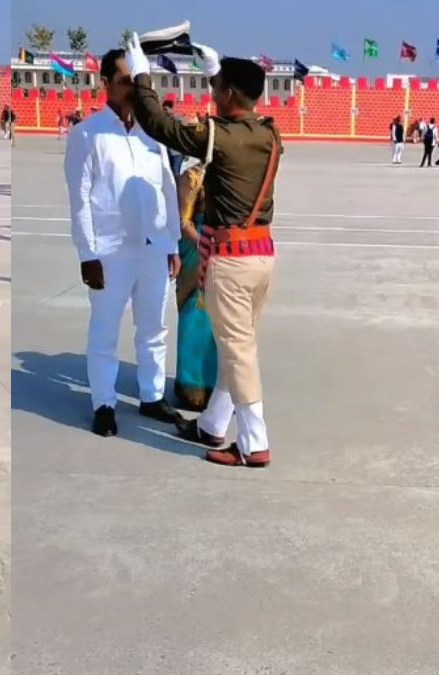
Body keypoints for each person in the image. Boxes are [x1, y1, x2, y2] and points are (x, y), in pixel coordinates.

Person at [125, 34, 281, 467]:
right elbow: (235, 112)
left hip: (232, 262)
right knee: (237, 345)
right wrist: (216, 72)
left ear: (228, 94)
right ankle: (213, 424)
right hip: (262, 255)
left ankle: (254, 443)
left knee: (238, 350)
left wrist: (142, 76)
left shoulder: (219, 136)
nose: (212, 94)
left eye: (216, 87)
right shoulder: (270, 134)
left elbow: (159, 124)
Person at [63, 48, 183, 436]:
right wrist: (88, 254)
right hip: (110, 251)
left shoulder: (153, 134)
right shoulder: (88, 134)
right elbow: (80, 198)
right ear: (106, 85)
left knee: (154, 328)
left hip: (154, 248)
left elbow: (167, 187)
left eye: (137, 80)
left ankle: (152, 395)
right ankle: (104, 403)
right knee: (105, 331)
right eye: (126, 81)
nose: (134, 88)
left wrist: (173, 243)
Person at [173, 160, 217, 411]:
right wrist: (204, 242)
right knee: (194, 320)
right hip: (197, 255)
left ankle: (217, 388)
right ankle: (191, 388)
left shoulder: (231, 173)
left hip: (224, 255)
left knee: (219, 326)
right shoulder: (192, 177)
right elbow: (182, 221)